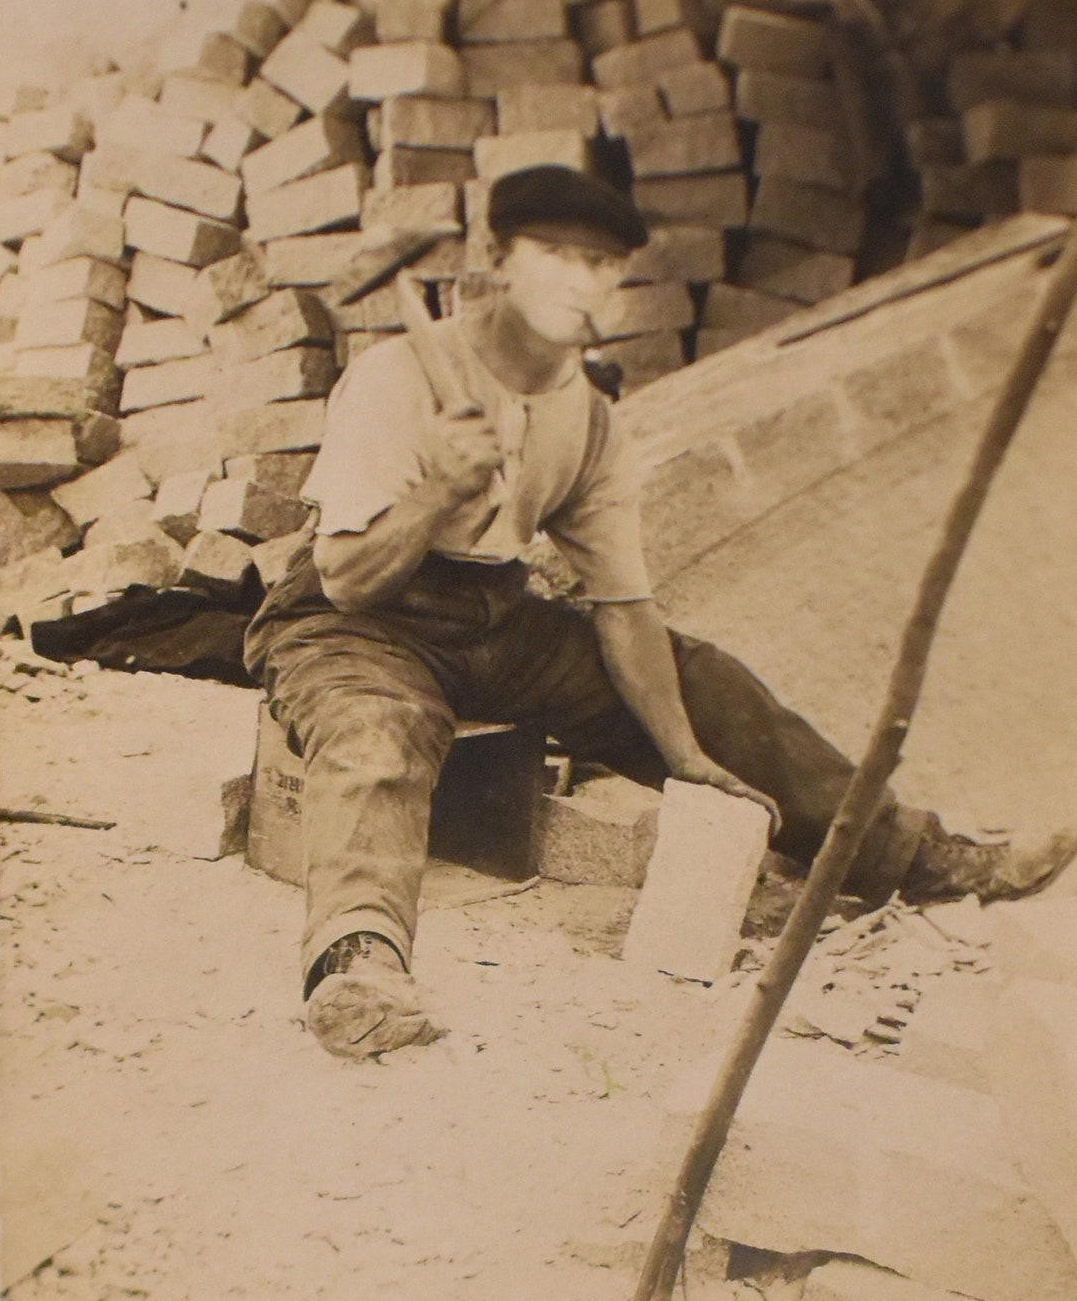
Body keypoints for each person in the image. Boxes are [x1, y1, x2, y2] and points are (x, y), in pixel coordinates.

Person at [245, 164, 1074, 1061]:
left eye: (601, 265)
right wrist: (439, 486)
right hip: (355, 624)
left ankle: (922, 858)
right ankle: (359, 963)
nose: (580, 281)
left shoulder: (588, 419)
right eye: (555, 255)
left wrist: (684, 752)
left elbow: (624, 606)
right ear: (497, 259)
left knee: (701, 677)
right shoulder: (395, 377)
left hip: (491, 615)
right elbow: (345, 578)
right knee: (381, 729)